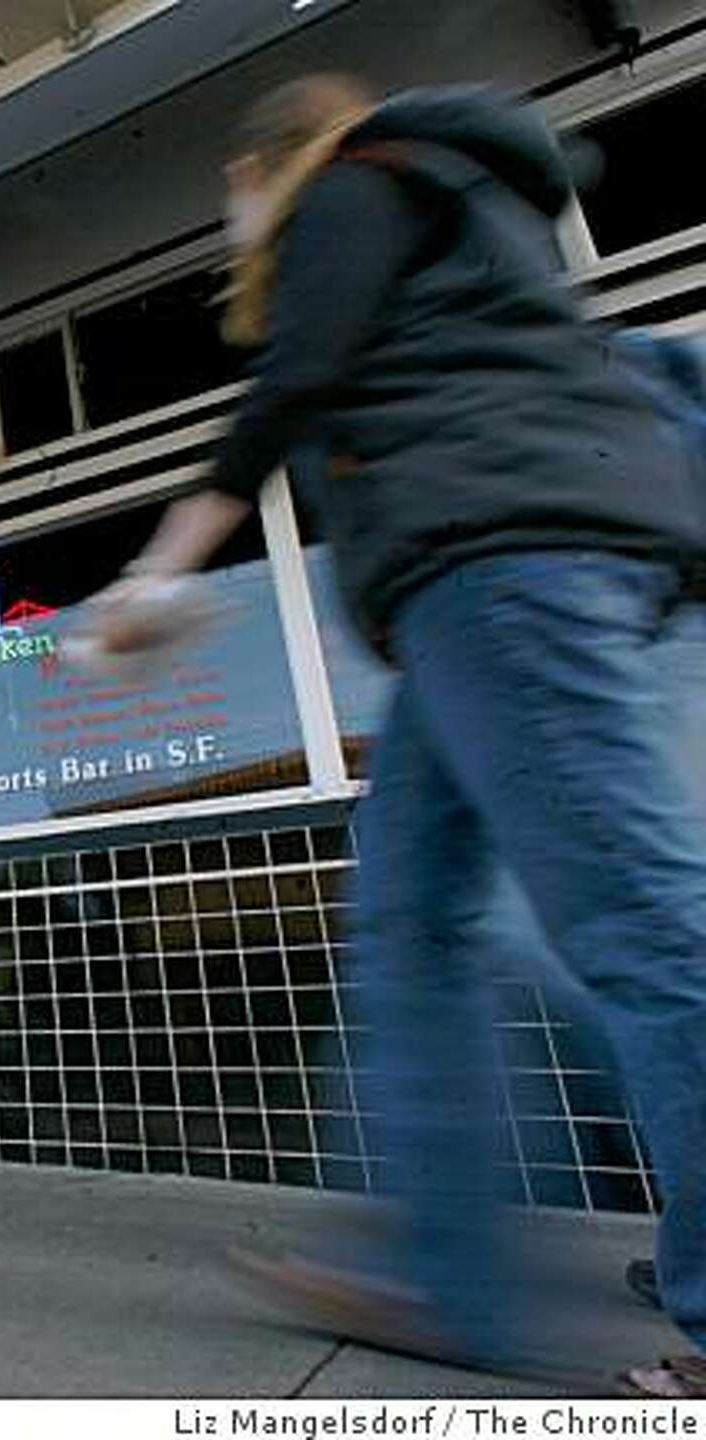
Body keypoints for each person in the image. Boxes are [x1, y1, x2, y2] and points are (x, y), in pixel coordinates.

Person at [94, 77, 706, 1396]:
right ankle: (453, 1282)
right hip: (471, 592)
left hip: (503, 568)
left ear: (269, 163)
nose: (237, 220)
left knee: (645, 925)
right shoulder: (462, 205)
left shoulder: (360, 181)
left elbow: (296, 377)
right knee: (413, 925)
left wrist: (163, 568)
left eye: (236, 196)